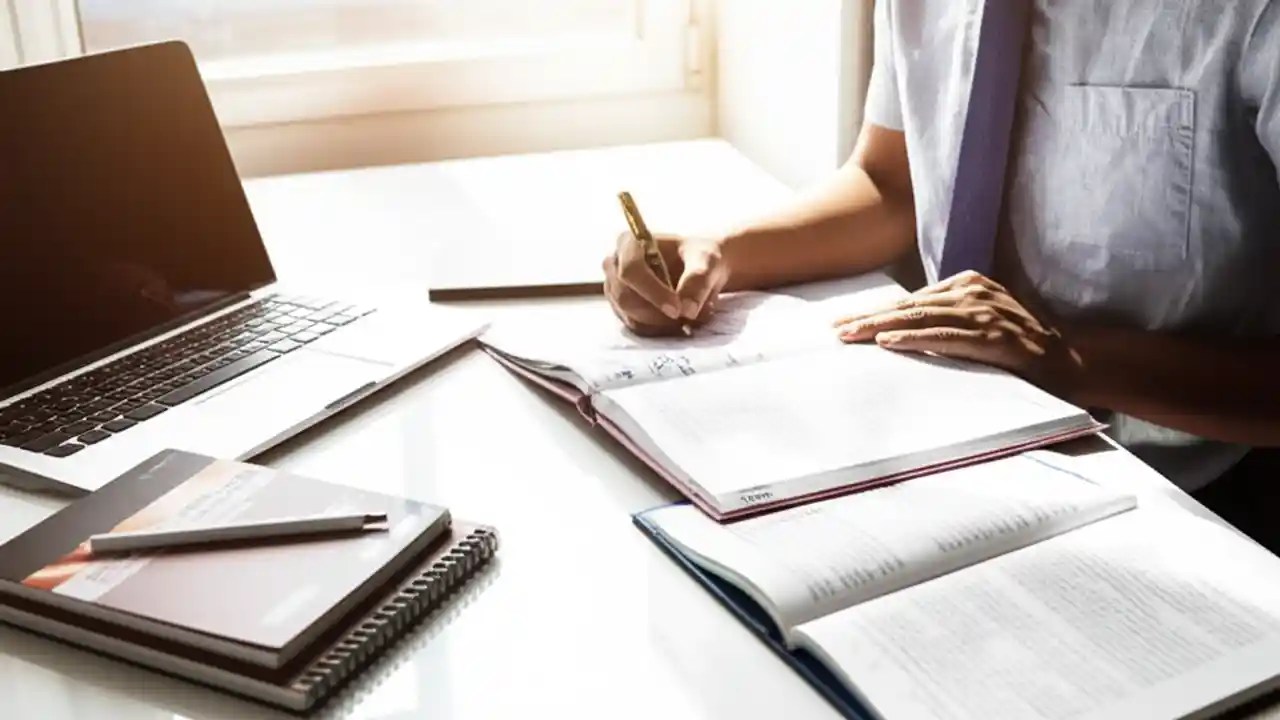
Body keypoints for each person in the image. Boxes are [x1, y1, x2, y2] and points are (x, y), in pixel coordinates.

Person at [602, 1, 1280, 551]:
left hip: (1198, 503)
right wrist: (719, 249)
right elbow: (891, 182)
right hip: (945, 469)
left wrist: (1063, 356)